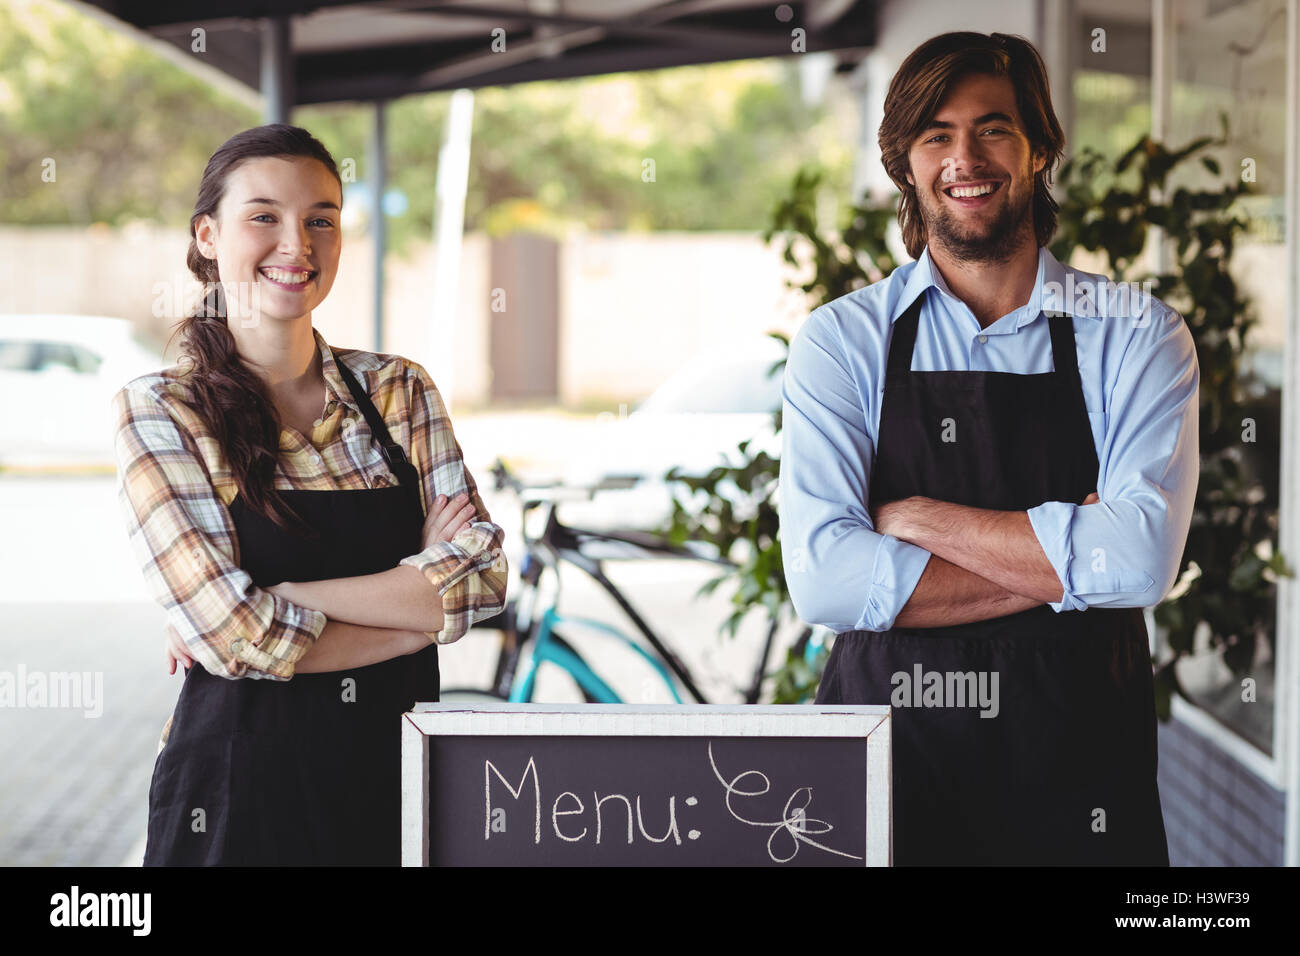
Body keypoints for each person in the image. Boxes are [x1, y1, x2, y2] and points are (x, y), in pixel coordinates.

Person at [779, 33, 1198, 866]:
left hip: (1079, 784)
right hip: (893, 775)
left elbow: (1142, 563)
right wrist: (1069, 565)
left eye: (993, 129)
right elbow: (826, 579)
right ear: (904, 161)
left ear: (1040, 146)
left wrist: (918, 518)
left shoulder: (1137, 334)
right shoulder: (843, 341)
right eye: (936, 133)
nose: (964, 158)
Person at [113, 124, 508, 866]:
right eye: (264, 215)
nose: (297, 244)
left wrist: (285, 592)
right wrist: (414, 615)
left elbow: (481, 581)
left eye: (321, 218)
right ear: (208, 235)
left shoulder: (399, 390)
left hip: (394, 784)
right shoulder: (162, 410)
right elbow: (233, 635)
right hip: (235, 801)